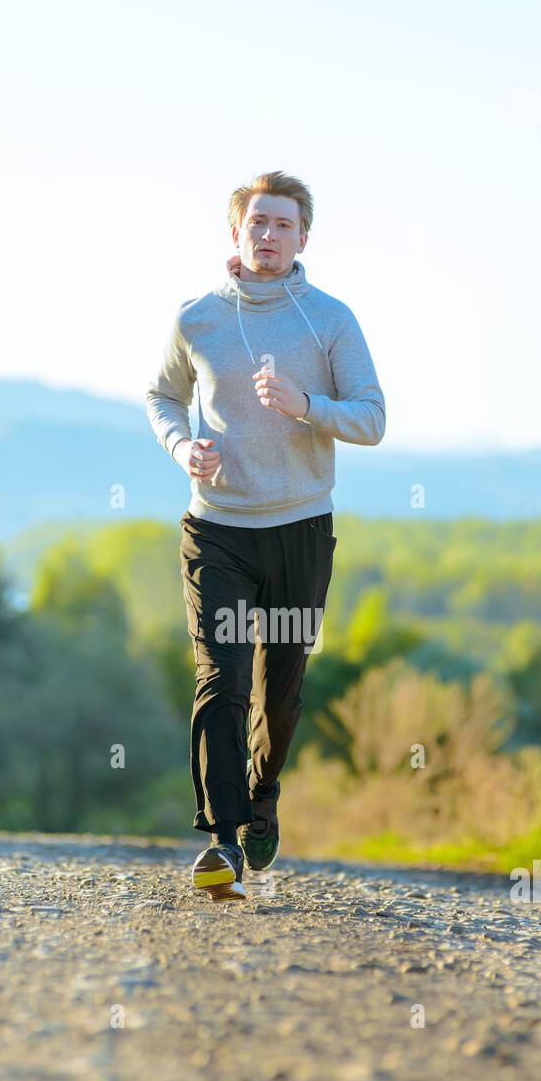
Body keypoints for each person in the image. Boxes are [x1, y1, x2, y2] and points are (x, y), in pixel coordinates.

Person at [145, 170, 385, 898]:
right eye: (258, 223)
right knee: (220, 682)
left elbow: (371, 418)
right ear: (235, 232)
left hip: (299, 532)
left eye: (283, 225)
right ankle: (220, 842)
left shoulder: (328, 319)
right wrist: (183, 448)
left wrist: (305, 404)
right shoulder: (197, 319)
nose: (269, 236)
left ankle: (262, 791)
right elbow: (162, 395)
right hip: (215, 530)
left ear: (302, 237)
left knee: (278, 696)